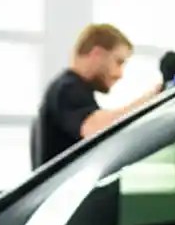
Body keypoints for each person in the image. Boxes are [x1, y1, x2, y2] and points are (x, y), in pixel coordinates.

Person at [30, 23, 161, 170]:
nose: (120, 74)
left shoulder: (69, 89)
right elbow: (98, 129)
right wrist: (152, 99)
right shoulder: (68, 89)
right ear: (97, 54)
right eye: (118, 62)